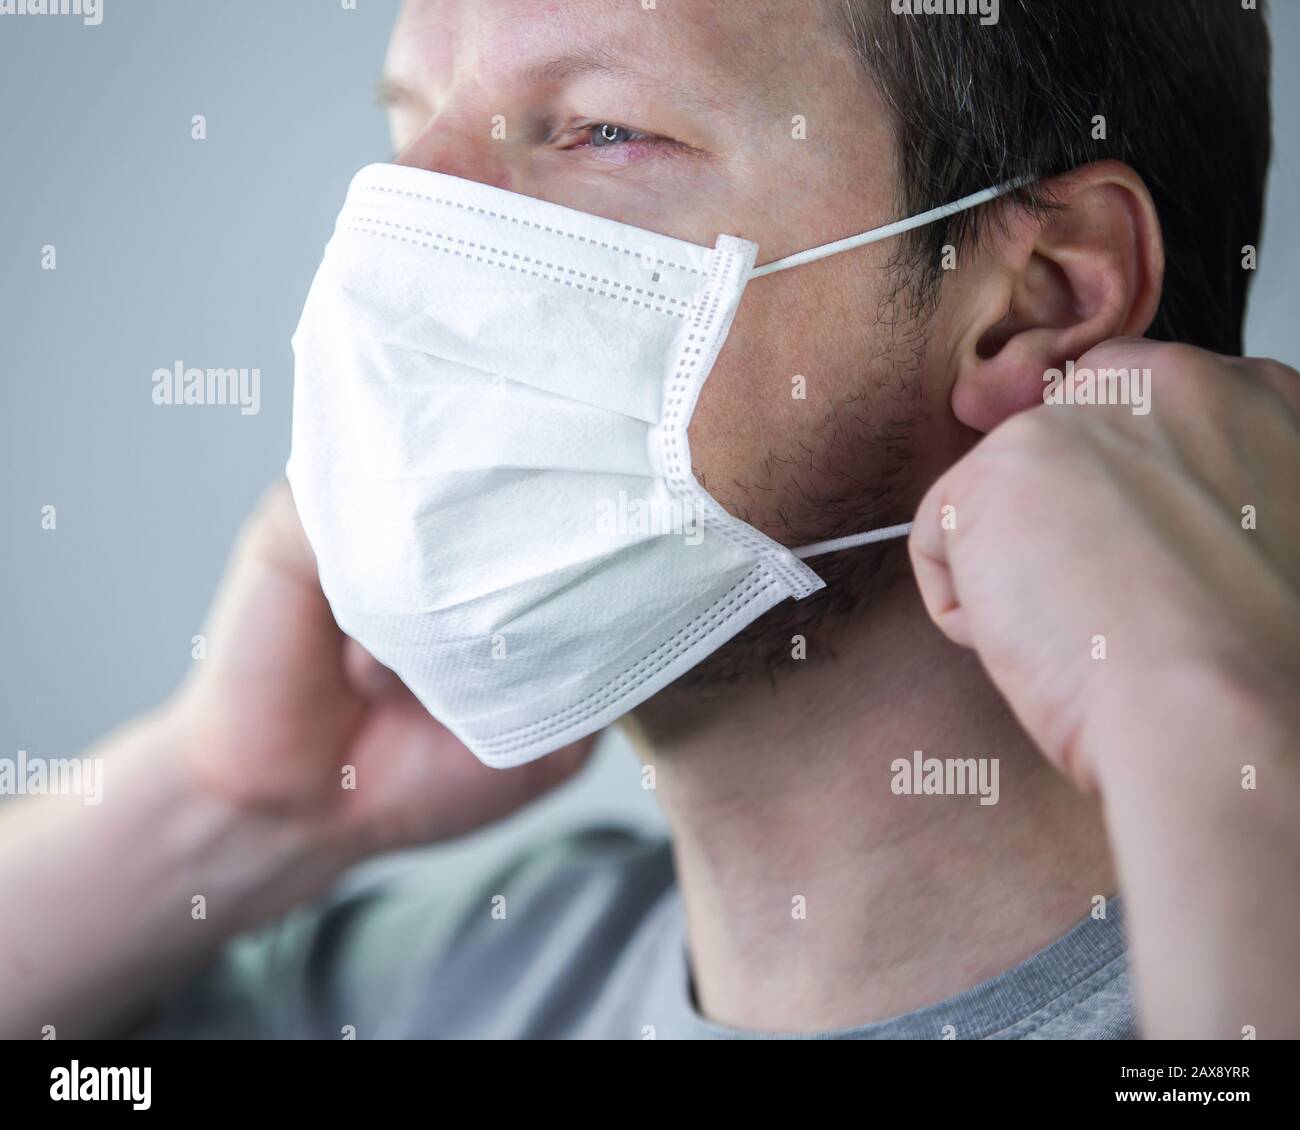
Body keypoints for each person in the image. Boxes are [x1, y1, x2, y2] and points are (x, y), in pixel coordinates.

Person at [2, 0, 1296, 1040]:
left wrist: (1198, 715)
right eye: (410, 133)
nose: (402, 243)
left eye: (602, 130)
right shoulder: (463, 982)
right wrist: (232, 802)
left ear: (1037, 301)